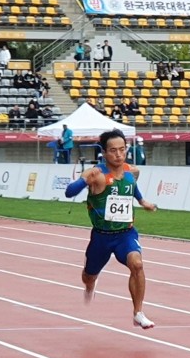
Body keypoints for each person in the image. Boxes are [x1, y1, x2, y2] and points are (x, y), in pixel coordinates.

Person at [64, 129, 158, 329]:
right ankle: (91, 283)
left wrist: (143, 201)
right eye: (113, 151)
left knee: (137, 264)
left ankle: (138, 313)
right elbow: (68, 192)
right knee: (88, 276)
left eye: (122, 150)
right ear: (104, 153)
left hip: (125, 233)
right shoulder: (96, 174)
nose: (118, 155)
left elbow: (131, 187)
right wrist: (84, 181)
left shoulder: (132, 172)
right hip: (101, 237)